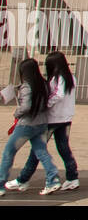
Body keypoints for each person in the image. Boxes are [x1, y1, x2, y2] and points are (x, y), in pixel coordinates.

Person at [8, 52, 78, 192]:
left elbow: (58, 95)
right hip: (65, 118)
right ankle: (72, 177)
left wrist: (45, 103)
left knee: (37, 150)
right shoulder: (70, 77)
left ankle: (23, 179)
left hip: (53, 119)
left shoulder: (59, 78)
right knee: (63, 148)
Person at [0, 58, 61, 197]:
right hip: (41, 124)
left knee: (8, 153)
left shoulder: (27, 86)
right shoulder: (44, 84)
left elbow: (26, 106)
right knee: (42, 153)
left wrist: (17, 113)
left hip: (26, 125)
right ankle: (53, 179)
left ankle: (0, 184)